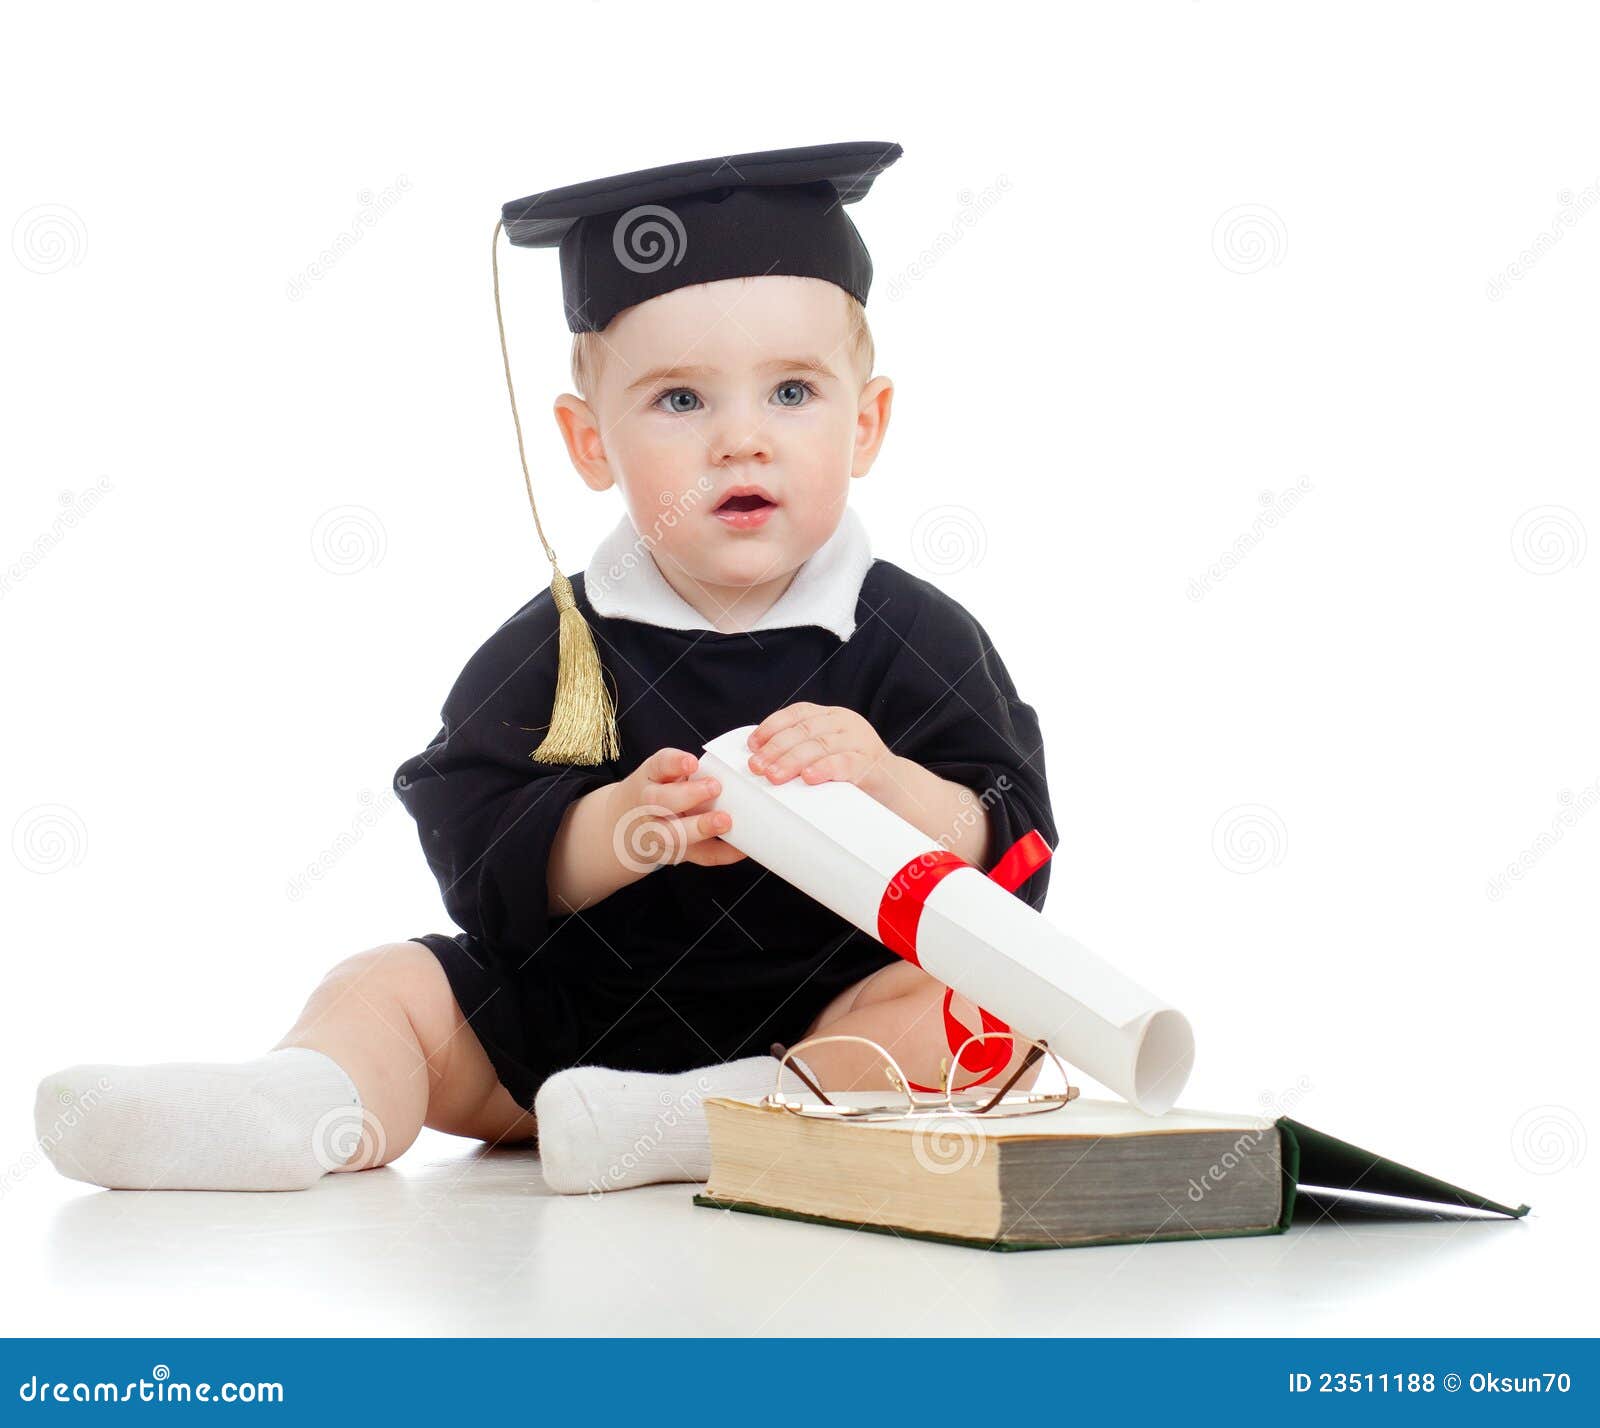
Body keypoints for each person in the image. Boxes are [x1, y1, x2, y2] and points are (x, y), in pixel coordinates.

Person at [34, 142, 1056, 1196]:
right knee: (389, 988)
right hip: (565, 1031)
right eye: (679, 402)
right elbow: (472, 837)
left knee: (985, 1016)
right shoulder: (560, 643)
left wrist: (891, 784)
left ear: (867, 423)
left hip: (825, 1021)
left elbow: (1012, 847)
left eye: (792, 391)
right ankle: (285, 1108)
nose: (741, 440)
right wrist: (610, 830)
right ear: (588, 443)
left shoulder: (912, 637)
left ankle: (698, 1123)